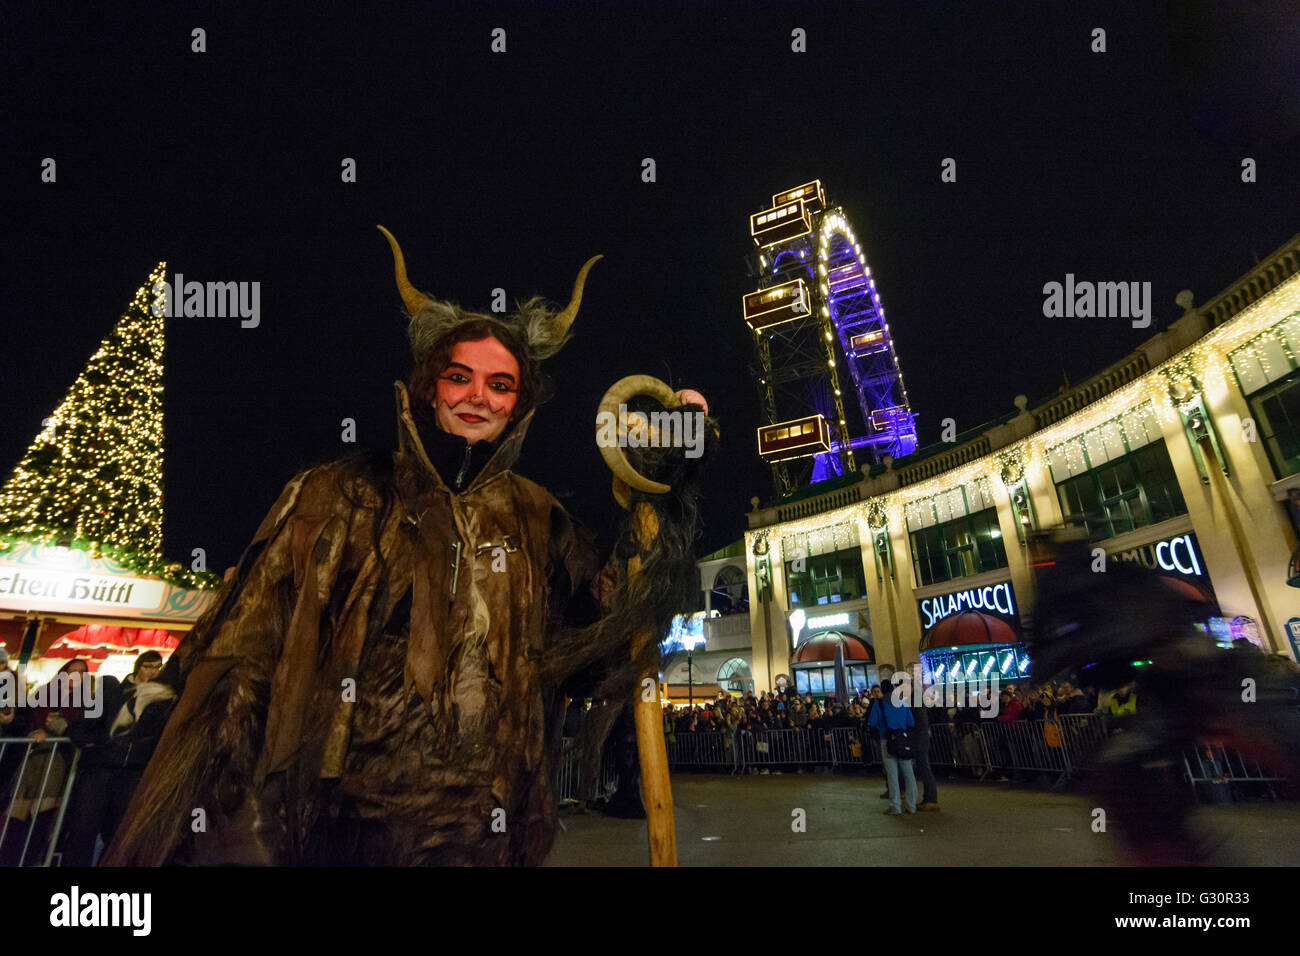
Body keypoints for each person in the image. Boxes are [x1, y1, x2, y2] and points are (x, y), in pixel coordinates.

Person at [104, 226, 713, 867]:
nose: (479, 395)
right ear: (430, 387)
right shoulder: (335, 496)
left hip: (491, 843)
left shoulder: (542, 521)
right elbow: (239, 674)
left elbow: (607, 642)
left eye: (500, 385)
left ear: (519, 403)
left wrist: (664, 491)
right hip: (341, 840)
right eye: (461, 376)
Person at [61, 652, 176, 865]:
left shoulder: (163, 698)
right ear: (138, 667)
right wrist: (95, 742)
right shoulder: (114, 691)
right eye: (148, 666)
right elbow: (84, 725)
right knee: (83, 829)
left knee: (117, 833)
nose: (152, 671)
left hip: (132, 772)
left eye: (157, 667)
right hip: (101, 769)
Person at [868, 673, 917, 815]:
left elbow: (872, 723)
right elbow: (911, 723)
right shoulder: (902, 703)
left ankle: (895, 806)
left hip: (887, 740)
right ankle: (911, 805)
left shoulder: (879, 705)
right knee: (909, 773)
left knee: (892, 775)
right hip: (903, 739)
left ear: (882, 691)